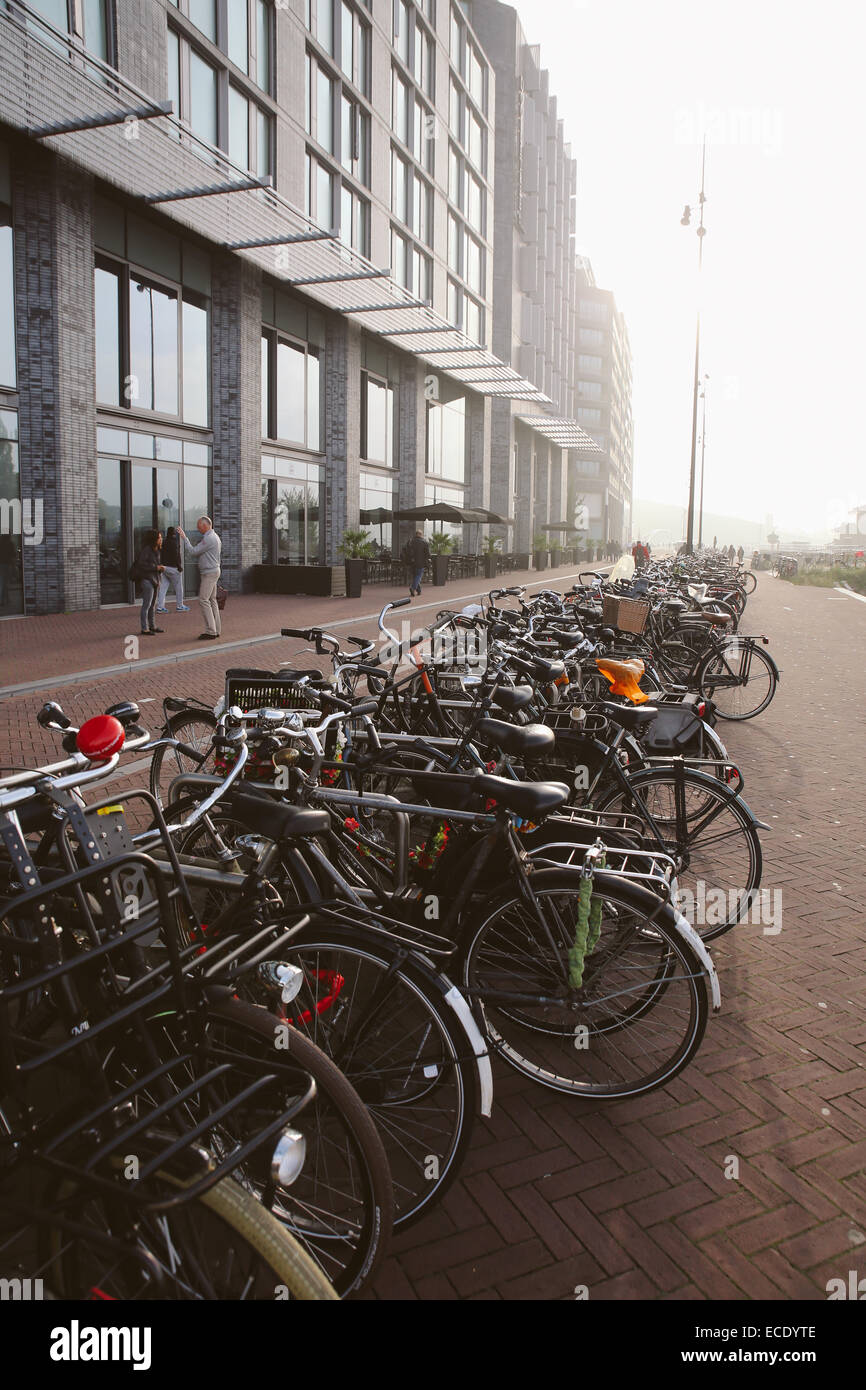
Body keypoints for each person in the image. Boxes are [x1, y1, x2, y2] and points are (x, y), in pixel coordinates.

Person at [178, 516, 222, 640]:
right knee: (212, 600)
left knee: (203, 600)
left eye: (199, 526)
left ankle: (210, 631)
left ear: (205, 525)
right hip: (213, 571)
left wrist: (184, 538)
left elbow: (193, 551)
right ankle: (216, 629)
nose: (197, 529)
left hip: (209, 573)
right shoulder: (215, 537)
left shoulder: (208, 539)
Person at [136, 529, 165, 636]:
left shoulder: (156, 549)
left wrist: (160, 568)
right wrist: (156, 567)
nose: (161, 539)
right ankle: (144, 628)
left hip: (155, 580)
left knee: (152, 605)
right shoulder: (147, 550)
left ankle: (152, 626)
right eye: (159, 537)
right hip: (148, 580)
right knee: (146, 605)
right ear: (154, 539)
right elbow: (141, 564)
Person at [155, 525, 189, 613]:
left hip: (164, 568)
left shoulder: (164, 542)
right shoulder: (174, 542)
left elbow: (160, 554)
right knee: (178, 587)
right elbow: (176, 555)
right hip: (174, 568)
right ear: (174, 533)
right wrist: (179, 566)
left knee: (163, 588)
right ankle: (180, 605)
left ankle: (160, 607)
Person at [406, 529, 430, 596]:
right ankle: (413, 588)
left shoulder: (410, 541)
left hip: (411, 562)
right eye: (422, 534)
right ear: (420, 534)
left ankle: (418, 590)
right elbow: (428, 554)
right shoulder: (424, 542)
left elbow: (406, 551)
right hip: (420, 562)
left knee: (415, 576)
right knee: (418, 576)